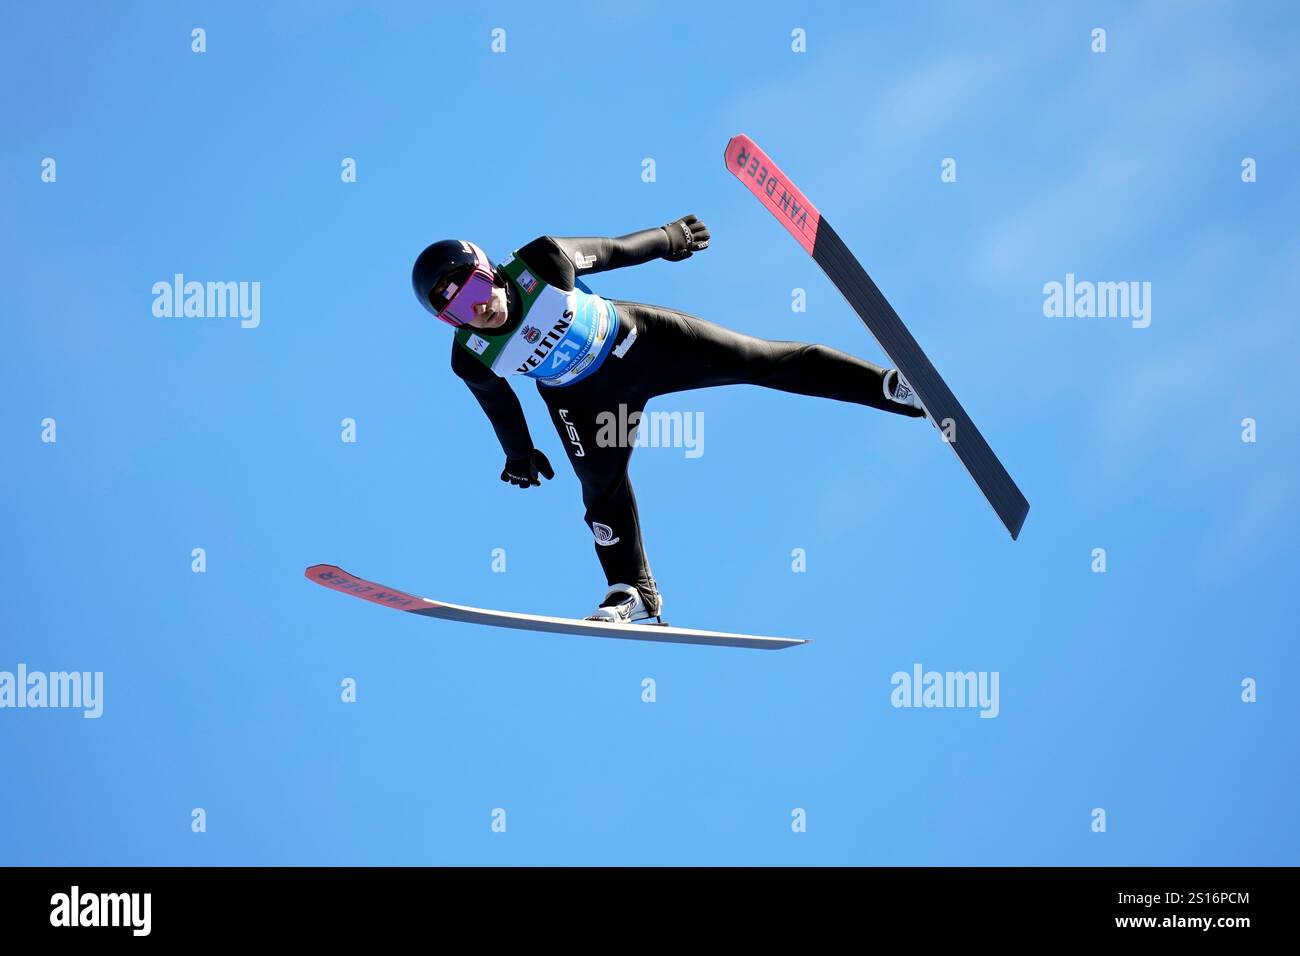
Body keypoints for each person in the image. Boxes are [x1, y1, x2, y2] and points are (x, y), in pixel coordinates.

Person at [411, 216, 926, 624]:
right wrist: (518, 454)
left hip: (645, 343)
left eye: (478, 293)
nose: (479, 313)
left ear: (491, 272)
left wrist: (668, 238)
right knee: (600, 493)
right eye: (459, 314)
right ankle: (631, 592)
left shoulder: (542, 261)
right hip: (586, 403)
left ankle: (892, 388)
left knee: (759, 359)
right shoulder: (471, 355)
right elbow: (498, 403)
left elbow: (611, 250)